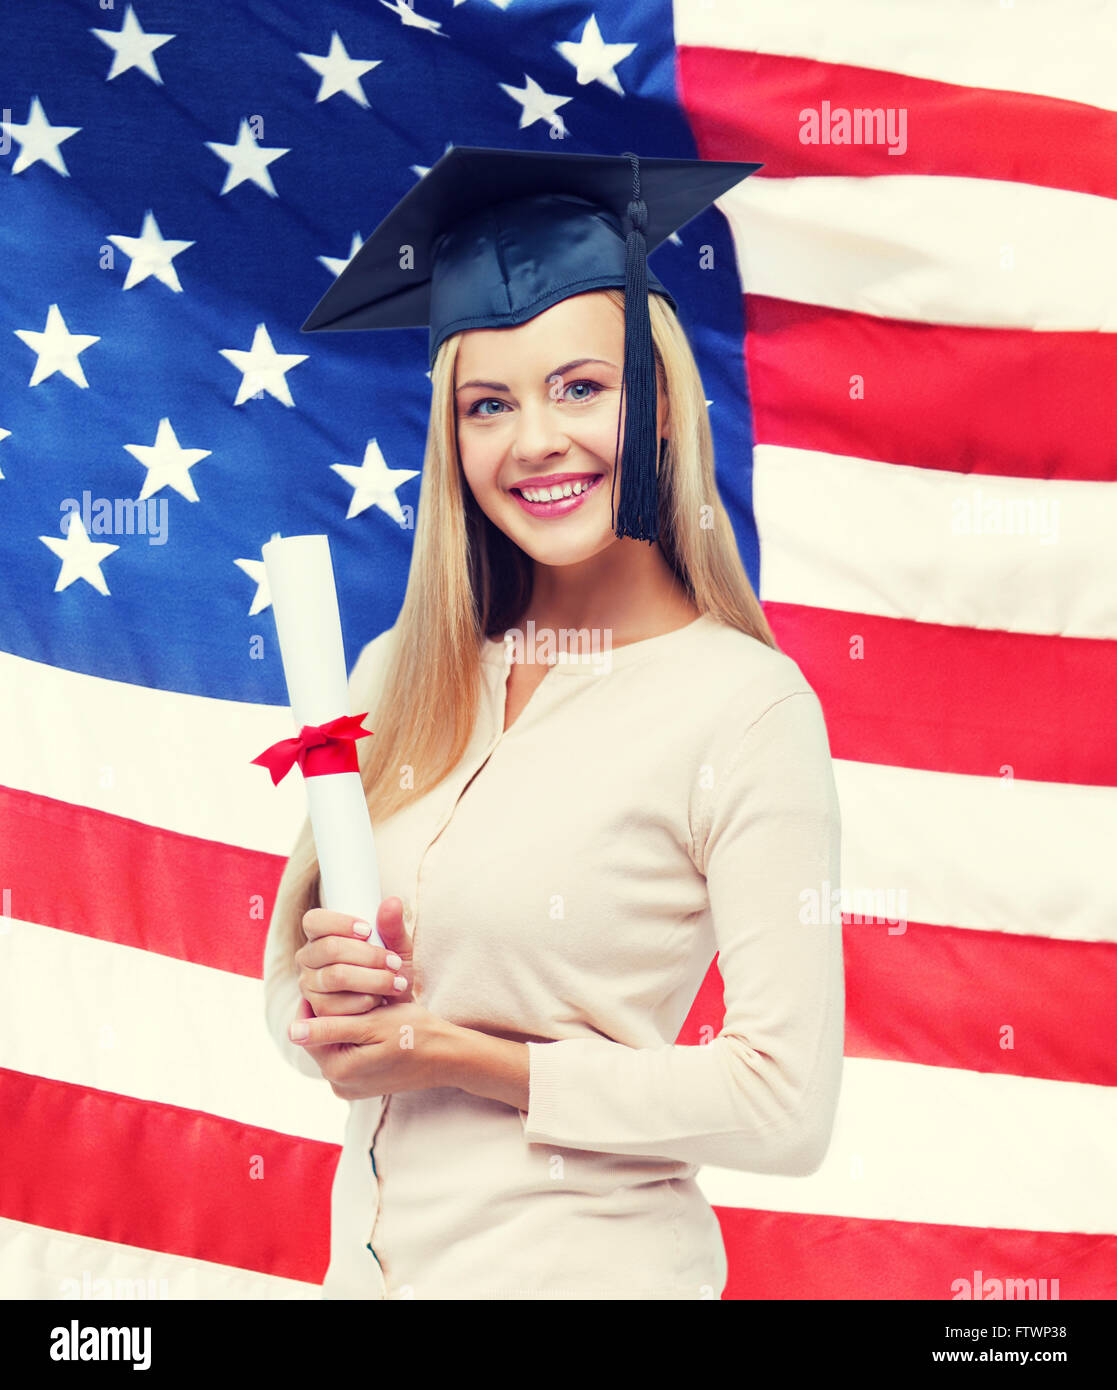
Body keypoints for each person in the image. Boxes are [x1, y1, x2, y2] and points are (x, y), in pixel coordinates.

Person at [263, 146, 844, 1300]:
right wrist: (321, 1002)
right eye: (489, 404)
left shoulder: (742, 707)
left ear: (661, 404)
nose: (534, 440)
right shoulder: (399, 673)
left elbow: (787, 1105)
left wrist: (461, 1057)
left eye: (580, 387)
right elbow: (298, 1009)